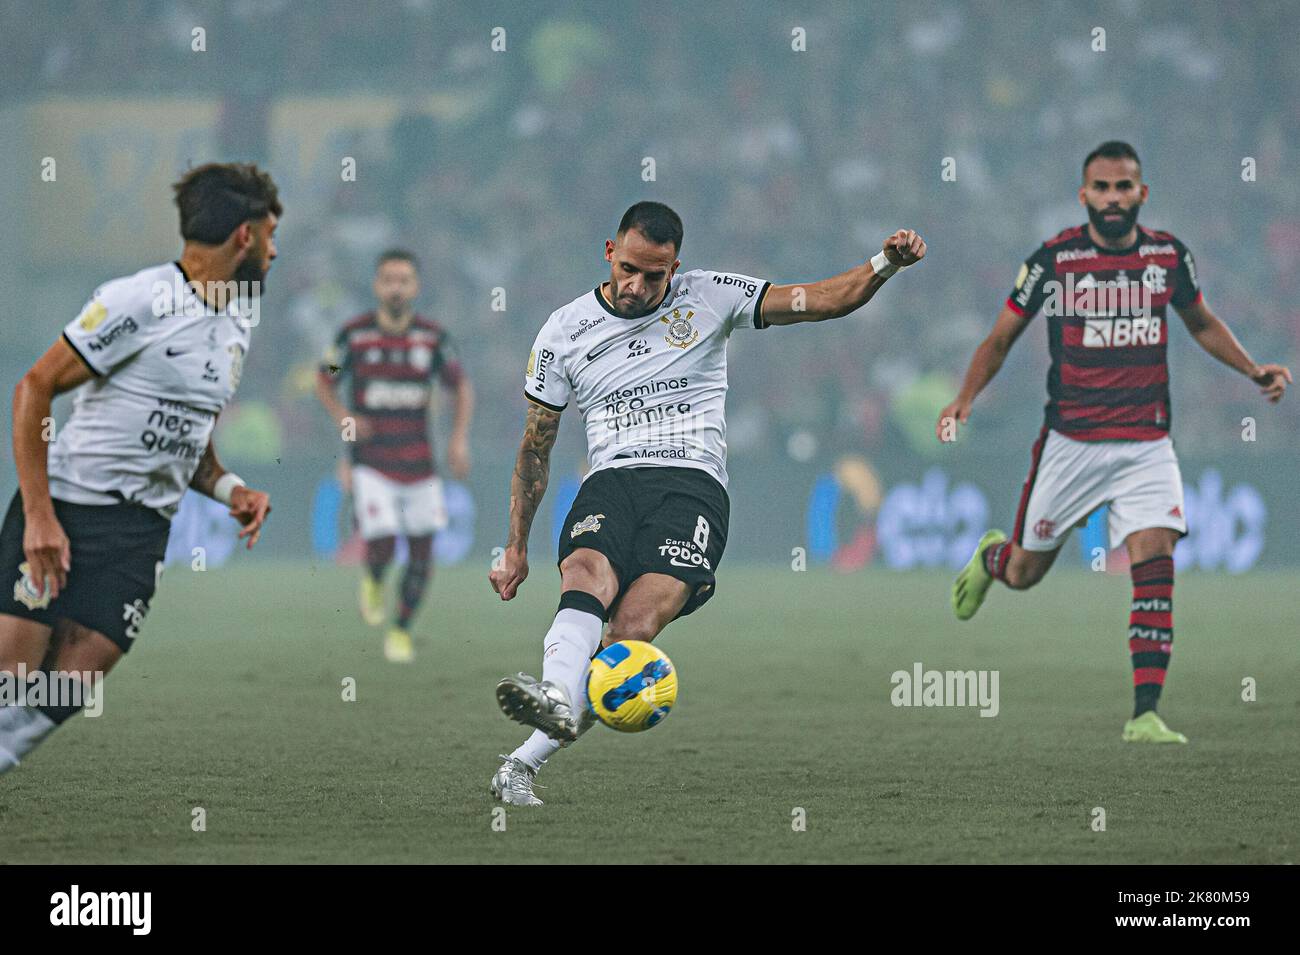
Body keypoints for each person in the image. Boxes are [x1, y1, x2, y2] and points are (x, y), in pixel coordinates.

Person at [487, 200, 925, 804]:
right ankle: (558, 698)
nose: (639, 285)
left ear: (676, 267)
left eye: (656, 274)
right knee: (584, 572)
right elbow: (535, 448)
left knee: (633, 628)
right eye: (630, 269)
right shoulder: (563, 331)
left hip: (692, 484)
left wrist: (884, 264)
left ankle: (522, 761)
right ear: (610, 253)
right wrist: (514, 547)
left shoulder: (711, 295)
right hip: (611, 478)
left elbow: (819, 299)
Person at [940, 141, 1291, 744]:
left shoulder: (1167, 258)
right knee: (1025, 574)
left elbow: (1202, 323)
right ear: (1084, 196)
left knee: (1155, 559)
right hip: (1070, 442)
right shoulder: (1054, 262)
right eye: (1101, 188)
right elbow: (999, 340)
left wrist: (1252, 369)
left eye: (1123, 187)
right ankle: (993, 556)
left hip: (1146, 443)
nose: (1112, 198)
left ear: (1141, 194)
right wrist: (965, 397)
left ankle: (1144, 714)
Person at [0, 162, 278, 773]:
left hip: (140, 532)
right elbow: (34, 388)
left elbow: (190, 438)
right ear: (243, 236)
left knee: (66, 690)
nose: (274, 250)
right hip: (67, 509)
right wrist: (40, 517)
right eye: (270, 233)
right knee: (10, 683)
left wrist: (230, 488)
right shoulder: (139, 300)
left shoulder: (236, 323)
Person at [316, 250, 472, 662]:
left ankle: (400, 630)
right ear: (376, 285)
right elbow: (325, 378)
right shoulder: (353, 336)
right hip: (371, 461)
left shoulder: (434, 338)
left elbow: (461, 387)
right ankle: (373, 578)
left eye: (404, 280)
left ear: (416, 286)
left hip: (421, 464)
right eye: (388, 279)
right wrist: (344, 417)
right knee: (382, 537)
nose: (396, 287)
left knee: (422, 552)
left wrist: (458, 440)